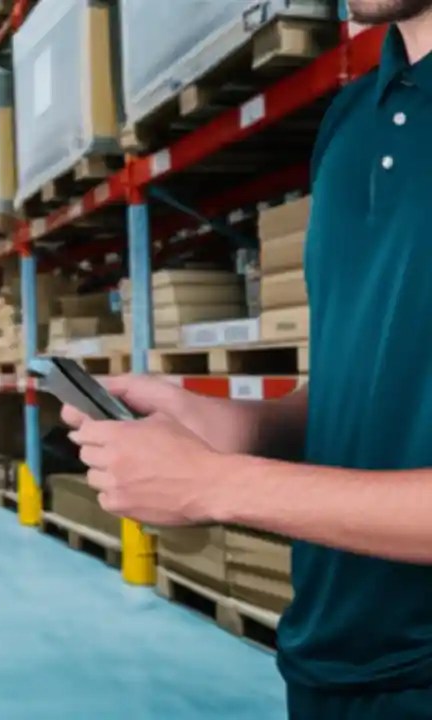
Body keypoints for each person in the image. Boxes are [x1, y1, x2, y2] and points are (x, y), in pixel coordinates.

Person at [63, 2, 432, 717]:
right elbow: (362, 386)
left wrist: (216, 486)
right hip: (326, 660)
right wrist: (230, 426)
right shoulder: (349, 122)